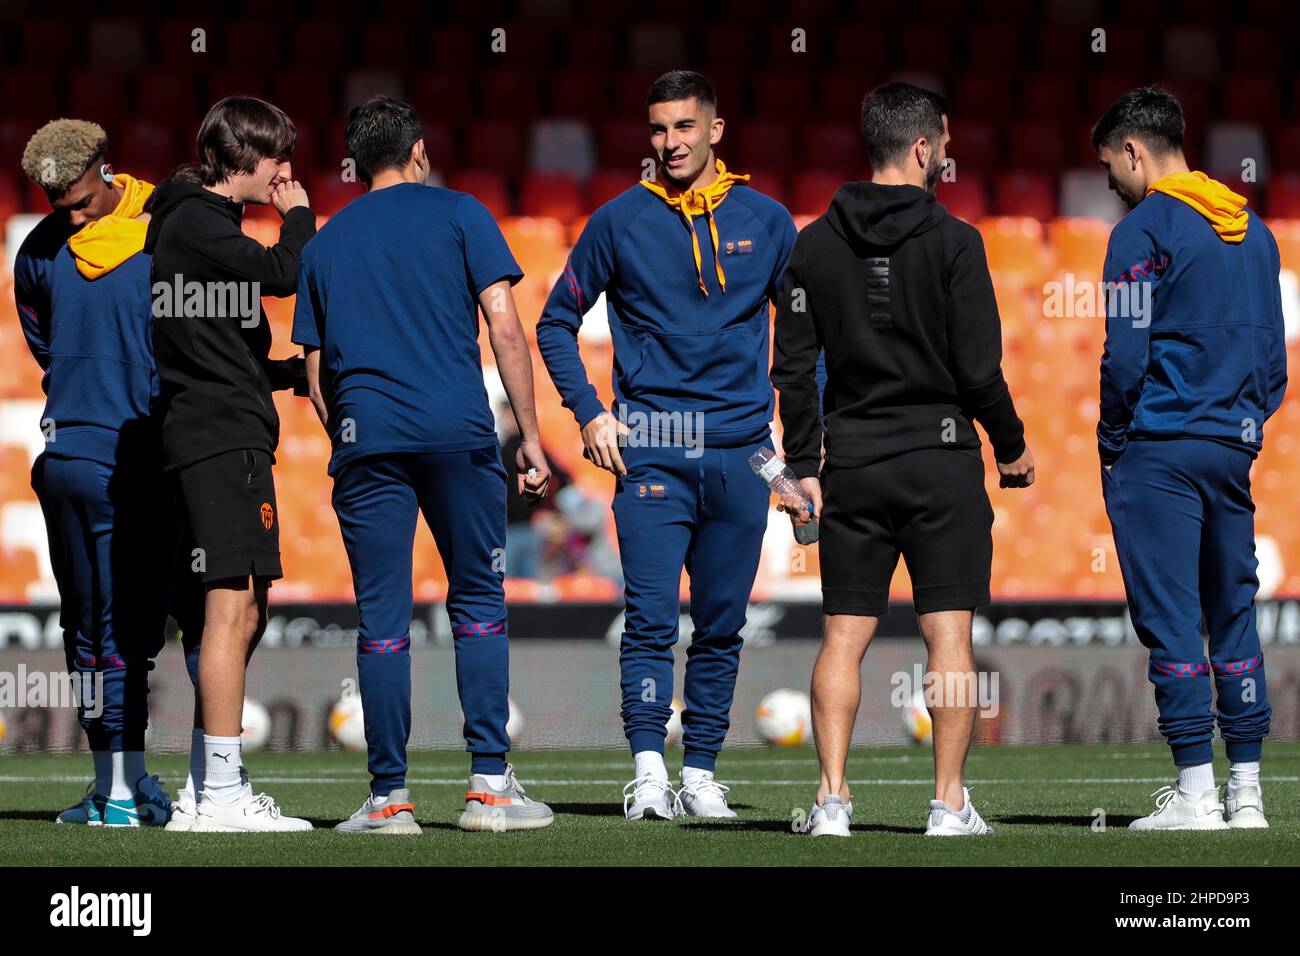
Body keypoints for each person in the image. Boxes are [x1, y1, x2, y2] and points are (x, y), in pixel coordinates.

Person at [772, 82, 1033, 837]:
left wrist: (805, 462)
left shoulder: (812, 245)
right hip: (941, 460)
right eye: (944, 145)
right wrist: (1011, 448)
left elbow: (791, 368)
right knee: (948, 638)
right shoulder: (957, 242)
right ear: (924, 148)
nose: (946, 156)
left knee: (842, 635)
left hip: (850, 461)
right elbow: (980, 371)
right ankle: (948, 806)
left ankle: (830, 802)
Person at [537, 70, 797, 820]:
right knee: (651, 619)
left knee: (721, 623)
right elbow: (555, 321)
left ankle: (703, 771)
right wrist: (588, 412)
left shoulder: (770, 221)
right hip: (649, 448)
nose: (671, 142)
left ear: (717, 130)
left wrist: (797, 457)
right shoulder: (618, 221)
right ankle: (650, 769)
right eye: (658, 129)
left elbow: (804, 337)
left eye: (685, 127)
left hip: (744, 453)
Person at [294, 96, 554, 833]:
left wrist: (348, 432)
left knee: (382, 621)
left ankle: (389, 799)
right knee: (478, 605)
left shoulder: (323, 245)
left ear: (355, 165)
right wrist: (530, 436)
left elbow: (314, 374)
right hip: (459, 433)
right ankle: (488, 788)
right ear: (417, 153)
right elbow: (504, 323)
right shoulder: (463, 214)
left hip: (367, 437)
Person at [1092, 87, 1286, 831]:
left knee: (1171, 617)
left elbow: (1126, 353)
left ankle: (1195, 793)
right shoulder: (1256, 233)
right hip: (1229, 447)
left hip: (1160, 449)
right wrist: (1236, 424)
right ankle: (1247, 793)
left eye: (1112, 167)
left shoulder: (1142, 233)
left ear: (1136, 152)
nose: (1112, 182)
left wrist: (1117, 439)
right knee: (1232, 611)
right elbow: (1274, 367)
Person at [146, 96, 315, 832]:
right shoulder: (198, 223)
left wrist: (281, 375)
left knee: (248, 608)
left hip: (219, 425)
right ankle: (219, 794)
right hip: (219, 437)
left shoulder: (194, 226)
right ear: (240, 158)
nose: (285, 171)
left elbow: (216, 343)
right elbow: (283, 273)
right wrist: (300, 215)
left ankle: (205, 782)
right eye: (276, 156)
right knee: (230, 606)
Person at [15, 119, 188, 827]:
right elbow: (47, 348)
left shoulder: (165, 230)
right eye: (59, 205)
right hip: (78, 461)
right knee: (91, 636)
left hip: (144, 458)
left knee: (126, 635)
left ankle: (125, 781)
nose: (73, 215)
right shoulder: (41, 252)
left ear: (108, 171)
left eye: (82, 199)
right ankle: (116, 786)